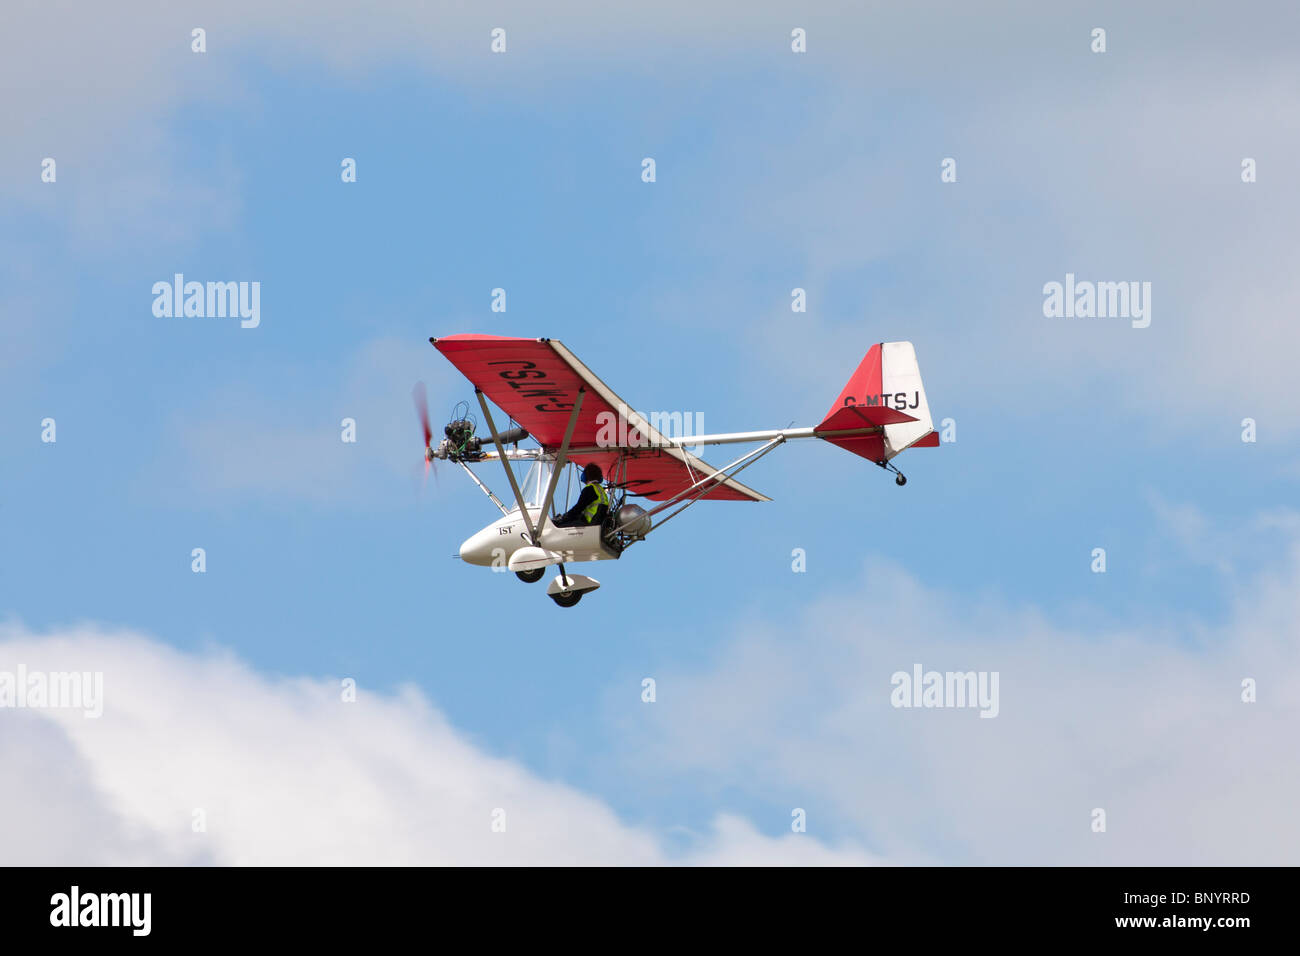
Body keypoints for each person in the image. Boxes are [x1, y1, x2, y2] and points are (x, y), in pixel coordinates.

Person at [553, 463, 610, 528]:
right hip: (598, 523)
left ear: (585, 476)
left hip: (589, 523)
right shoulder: (600, 490)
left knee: (558, 527)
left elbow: (578, 508)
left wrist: (563, 518)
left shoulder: (590, 489)